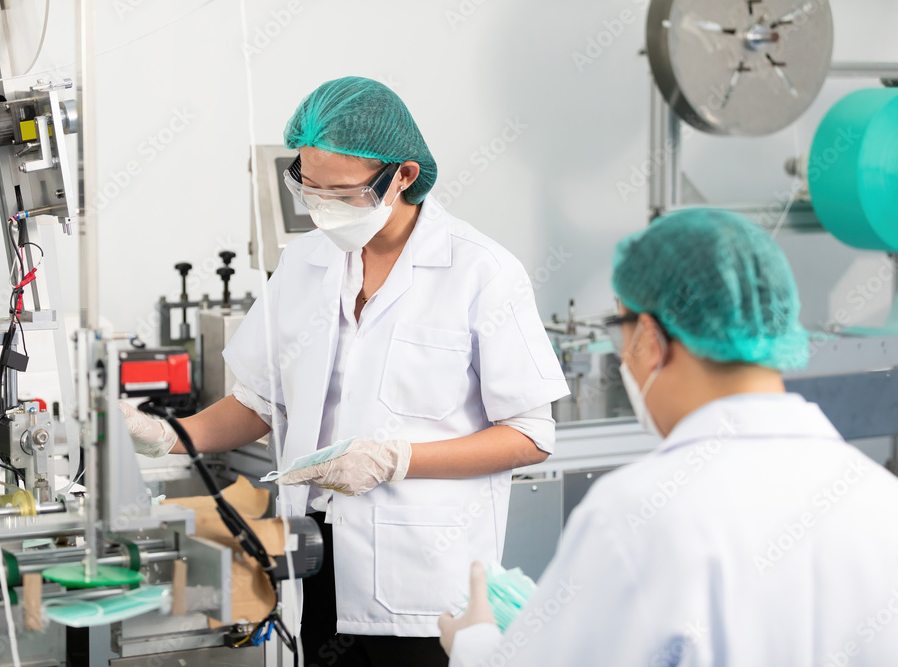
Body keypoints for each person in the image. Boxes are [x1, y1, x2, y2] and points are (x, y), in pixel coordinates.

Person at [122, 76, 569, 666]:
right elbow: (260, 403)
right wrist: (170, 436)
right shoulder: (305, 263)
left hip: (429, 586)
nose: (322, 207)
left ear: (403, 176)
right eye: (309, 188)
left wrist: (395, 459)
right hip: (318, 564)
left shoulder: (481, 272)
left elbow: (531, 436)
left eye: (342, 192)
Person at [439, 208, 898, 666]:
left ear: (650, 338)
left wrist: (477, 647)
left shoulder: (636, 513)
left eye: (621, 333)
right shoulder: (881, 499)